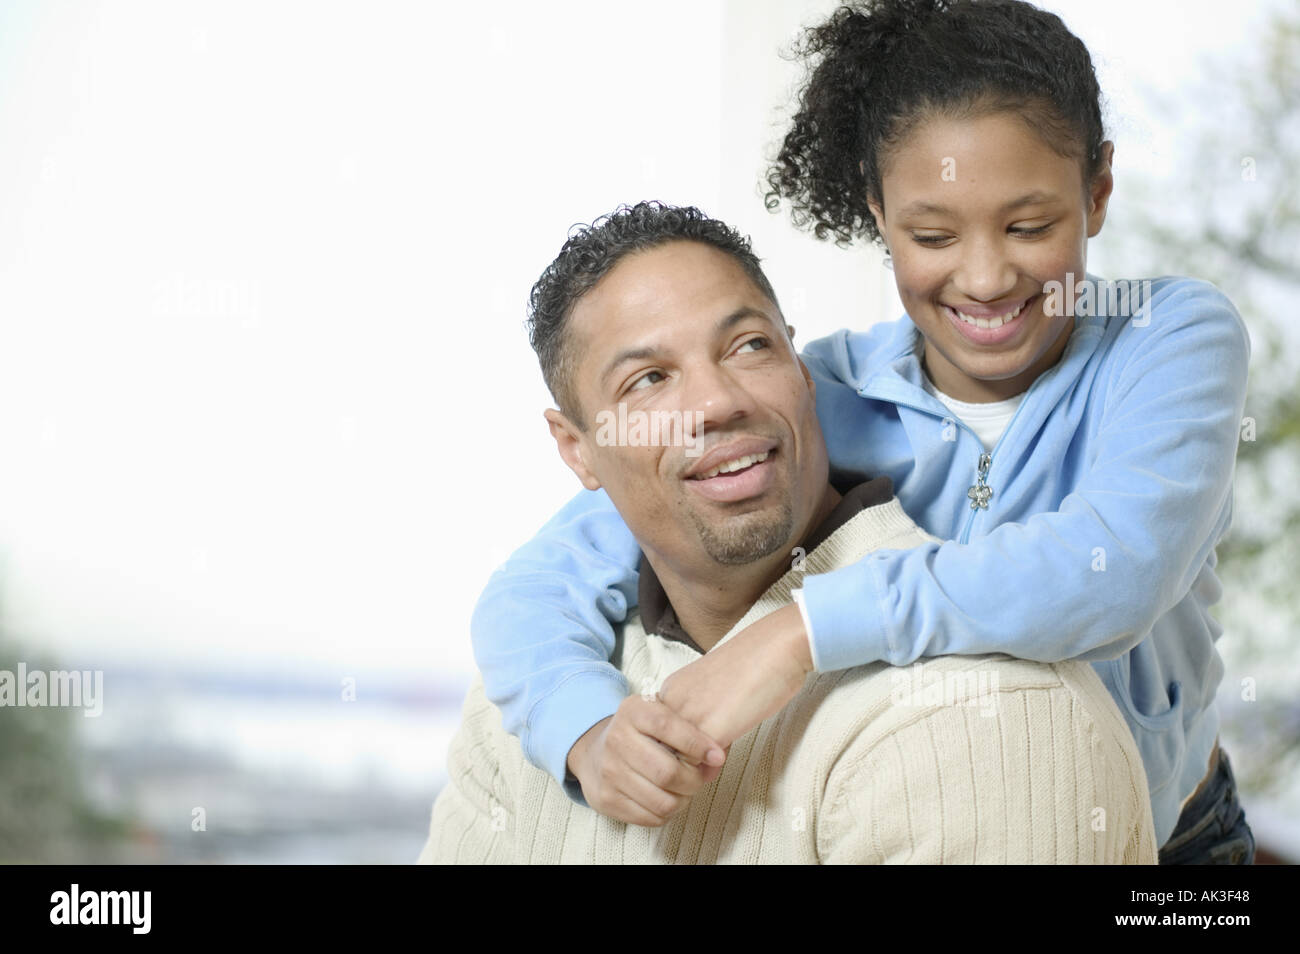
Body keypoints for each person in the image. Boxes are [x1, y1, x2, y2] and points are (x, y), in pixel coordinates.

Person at [469, 0, 1255, 864]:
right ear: (877, 212)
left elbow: (1116, 569)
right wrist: (581, 729)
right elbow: (542, 581)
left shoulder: (1169, 341)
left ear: (1097, 190)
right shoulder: (819, 389)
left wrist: (800, 634)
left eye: (1030, 226)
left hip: (1181, 842)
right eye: (932, 233)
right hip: (957, 811)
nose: (986, 277)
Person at [420, 202, 1157, 863]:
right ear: (576, 448)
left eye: (748, 347)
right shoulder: (524, 701)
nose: (715, 402)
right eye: (648, 380)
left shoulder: (983, 715)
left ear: (804, 373)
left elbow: (1124, 560)